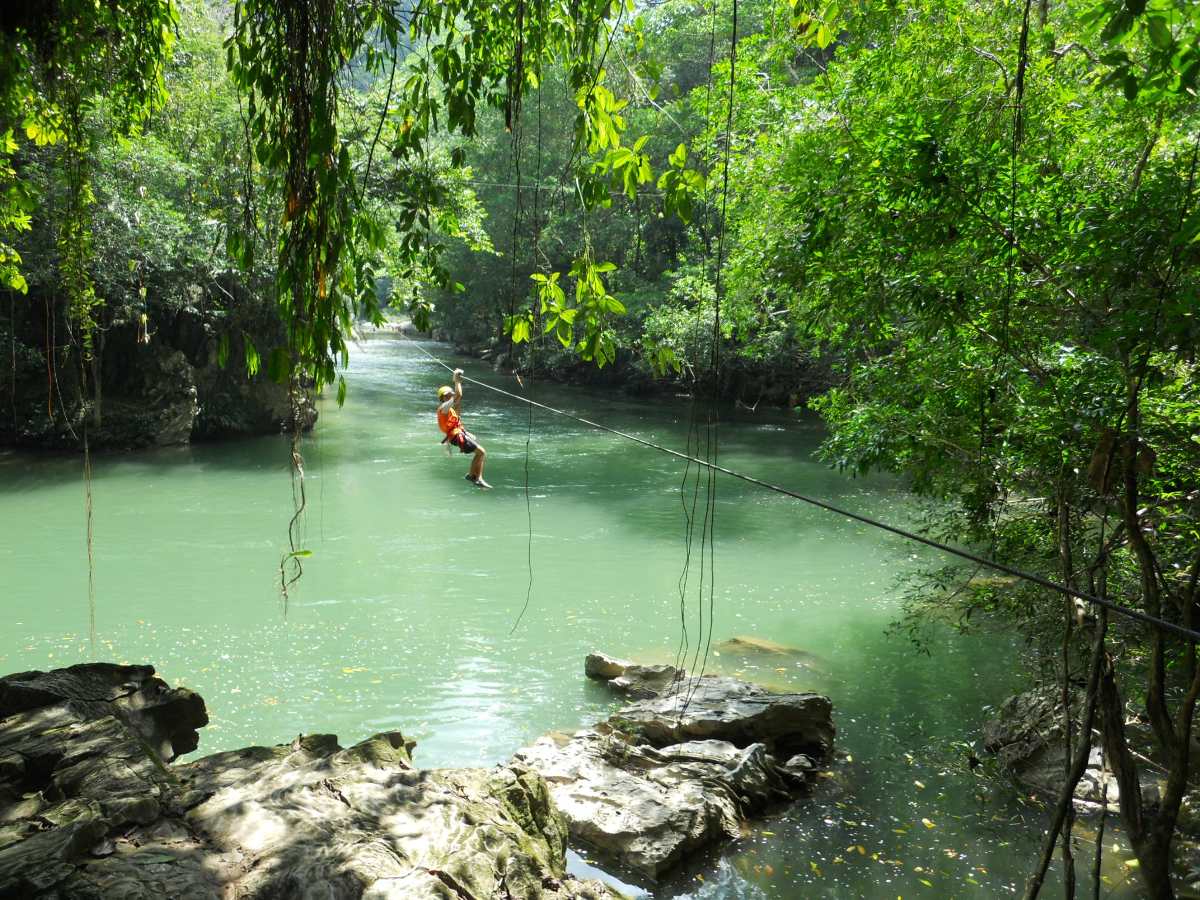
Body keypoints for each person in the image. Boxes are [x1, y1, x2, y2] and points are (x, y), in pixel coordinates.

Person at [437, 368, 491, 489]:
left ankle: (473, 476)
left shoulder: (450, 409)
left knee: (481, 453)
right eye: (446, 395)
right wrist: (457, 381)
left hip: (457, 434)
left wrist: (457, 381)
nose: (449, 396)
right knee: (481, 452)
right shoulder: (443, 408)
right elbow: (459, 395)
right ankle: (476, 477)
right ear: (442, 398)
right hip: (456, 436)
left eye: (450, 394)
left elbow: (457, 401)